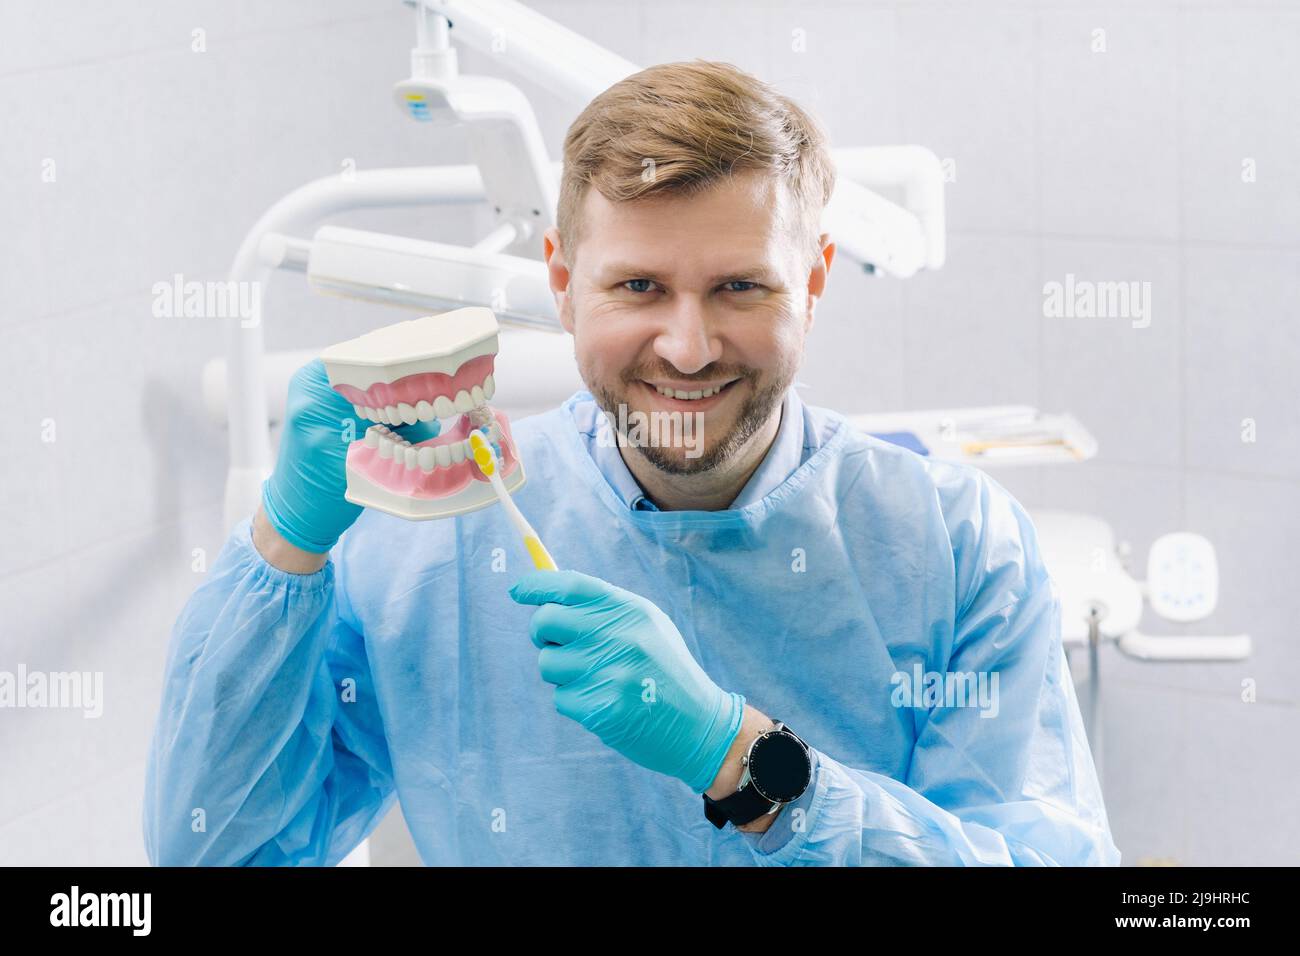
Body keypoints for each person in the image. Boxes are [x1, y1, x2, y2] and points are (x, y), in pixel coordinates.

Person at [144, 61, 1119, 866]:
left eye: (740, 287)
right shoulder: (424, 550)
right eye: (638, 286)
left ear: (813, 282)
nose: (688, 346)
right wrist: (286, 543)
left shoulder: (954, 546)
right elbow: (217, 853)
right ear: (563, 282)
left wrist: (745, 760)